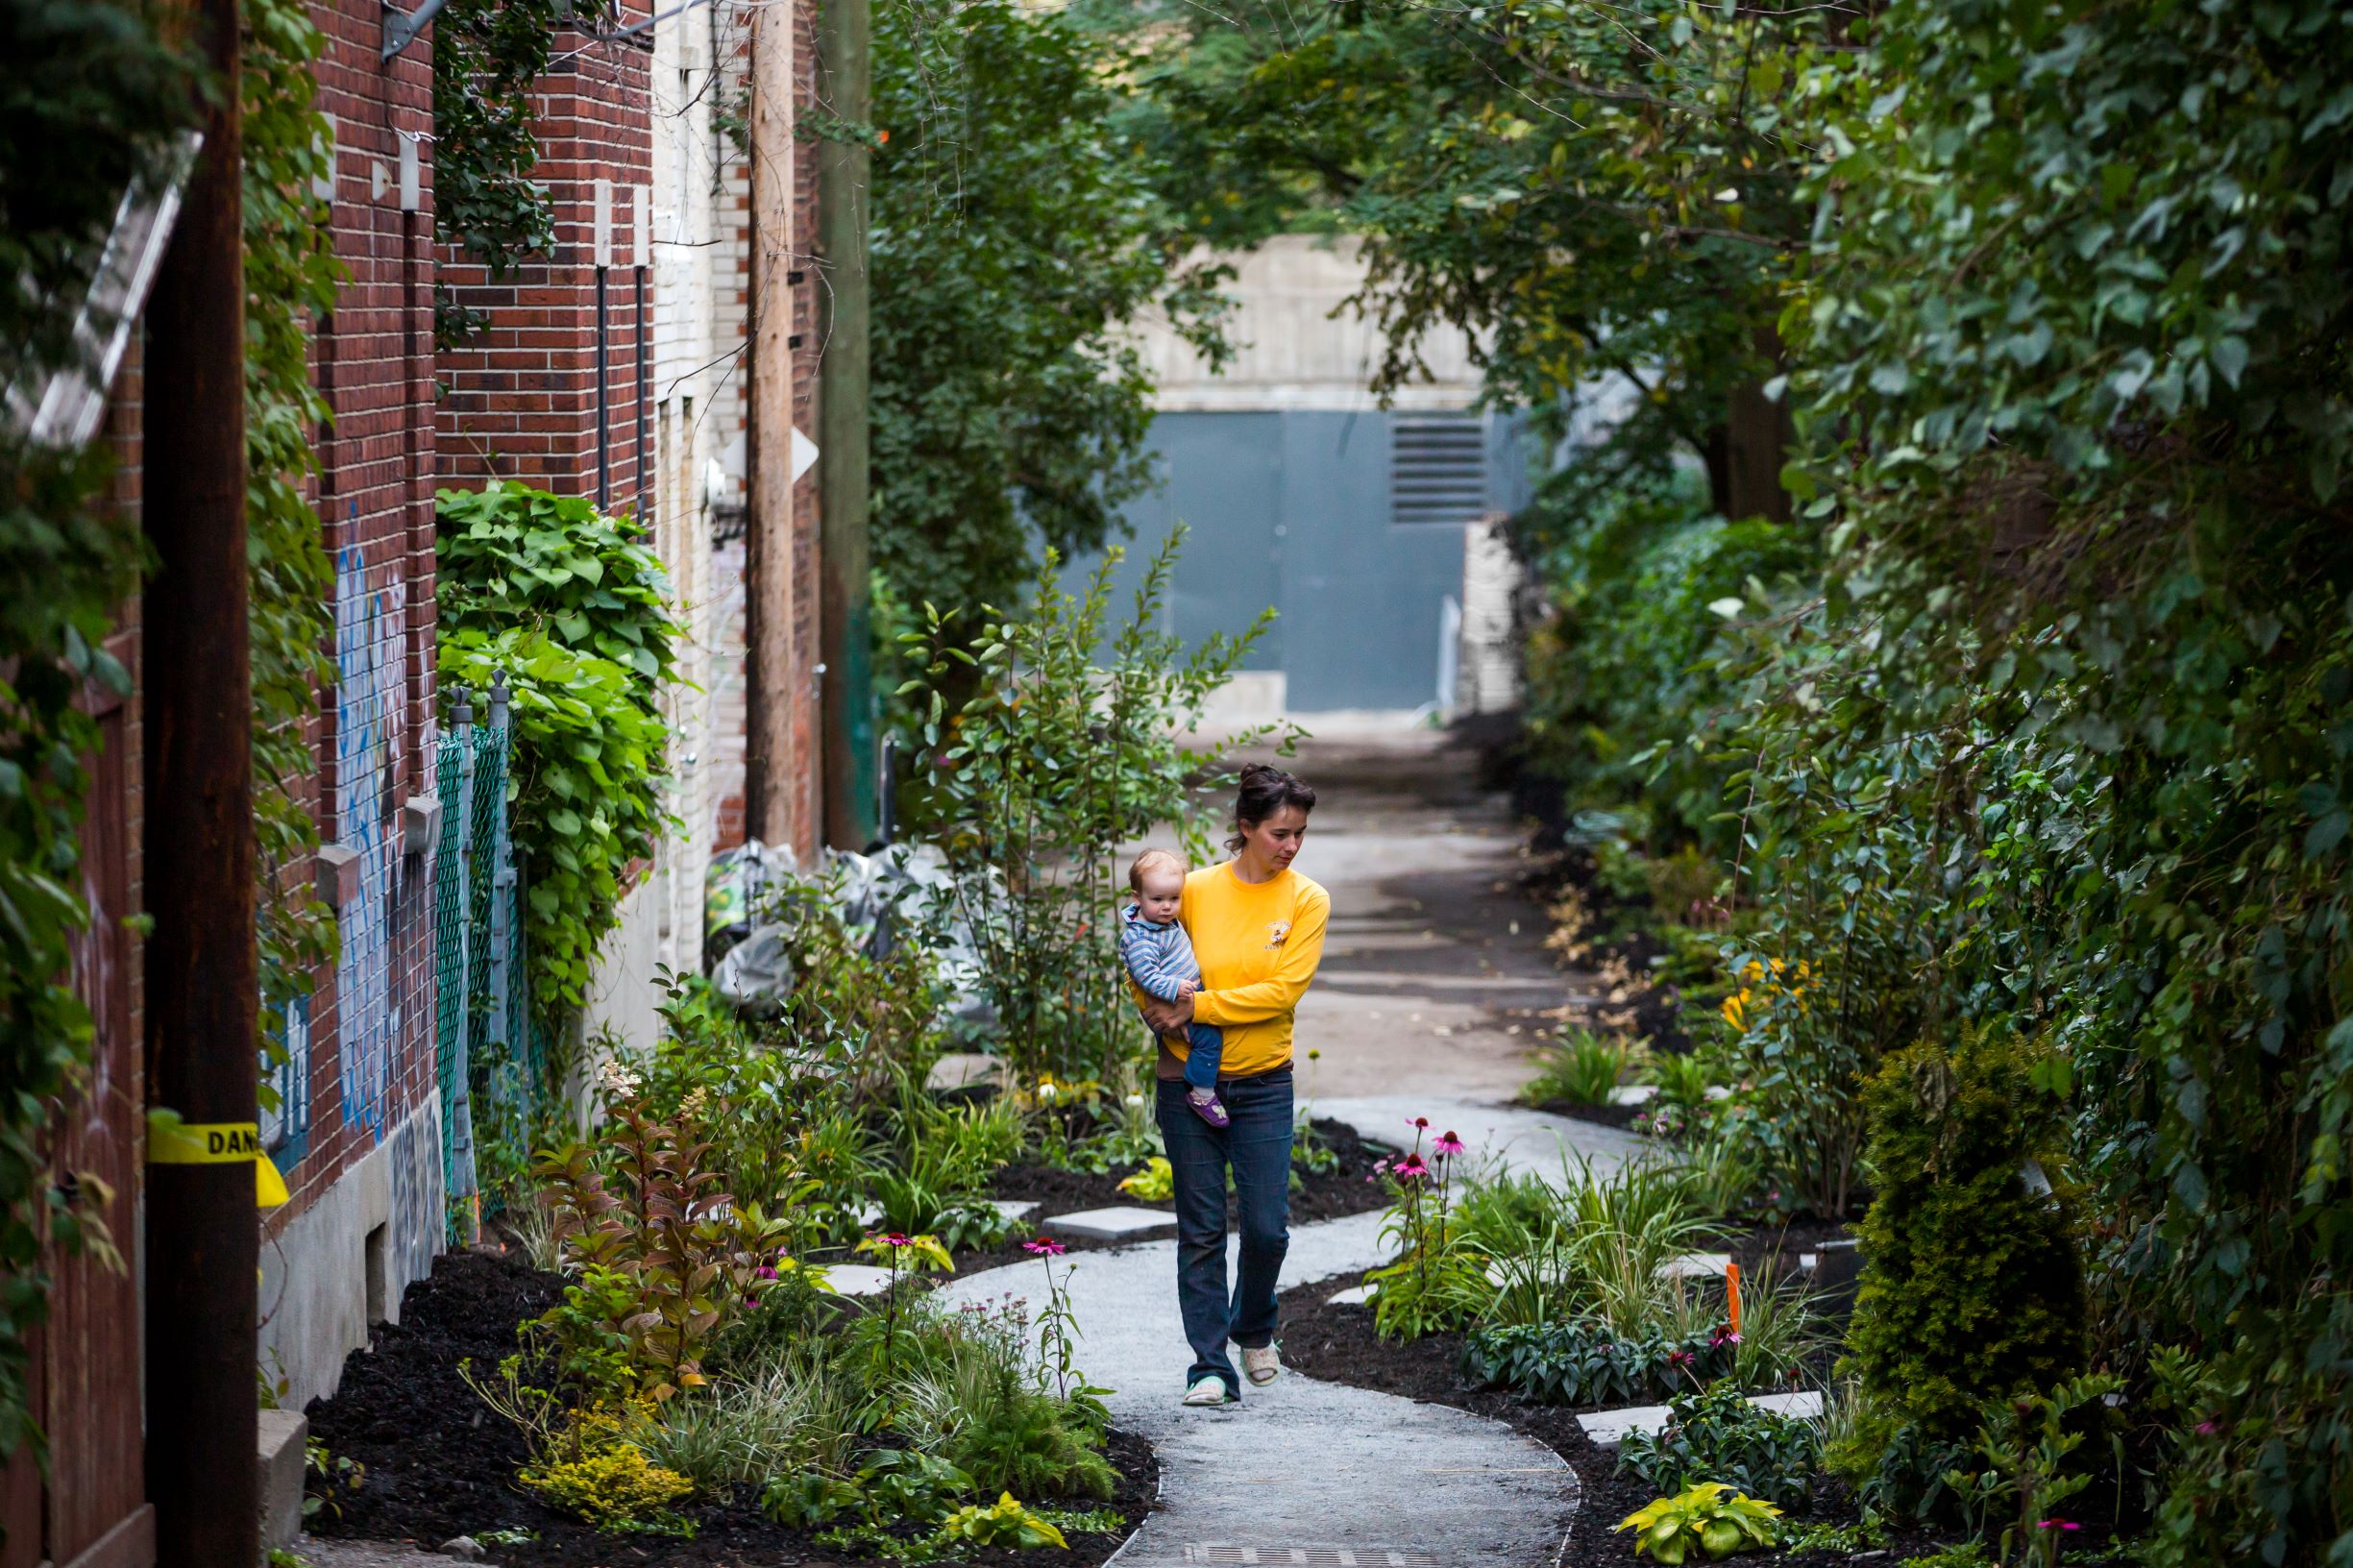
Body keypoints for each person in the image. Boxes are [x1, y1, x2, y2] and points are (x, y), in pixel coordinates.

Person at [1133, 762, 1327, 1408]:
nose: (1291, 845)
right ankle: (1209, 1366)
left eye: (1299, 833)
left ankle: (1253, 1326)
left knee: (1268, 1230)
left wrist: (1196, 1008)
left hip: (1265, 1085)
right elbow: (1138, 944)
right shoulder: (1191, 891)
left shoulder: (1306, 900)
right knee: (1202, 1230)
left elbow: (1281, 994)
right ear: (1245, 829)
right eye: (1279, 833)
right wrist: (1155, 1011)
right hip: (1186, 1086)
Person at [1118, 847, 1231, 1128]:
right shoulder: (1142, 938)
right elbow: (1146, 976)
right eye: (1157, 899)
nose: (1167, 906)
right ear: (1137, 897)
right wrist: (1174, 988)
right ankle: (1202, 1093)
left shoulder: (1161, 922)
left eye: (1174, 898)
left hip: (1187, 991)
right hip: (1175, 999)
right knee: (1208, 1040)